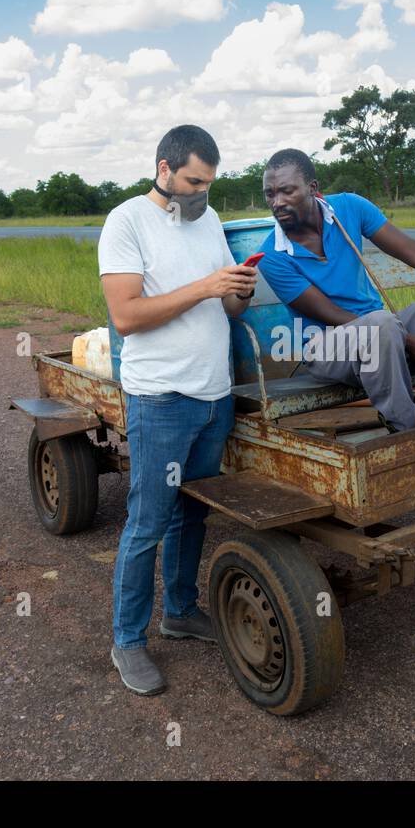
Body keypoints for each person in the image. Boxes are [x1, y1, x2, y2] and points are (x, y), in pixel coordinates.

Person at [98, 124, 257, 696]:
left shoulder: (208, 221)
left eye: (209, 183)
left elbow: (231, 310)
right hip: (161, 398)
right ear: (163, 169)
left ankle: (182, 611)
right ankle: (128, 640)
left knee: (195, 514)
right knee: (147, 522)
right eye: (193, 181)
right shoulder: (126, 223)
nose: (201, 193)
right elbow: (127, 317)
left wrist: (239, 288)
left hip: (214, 396)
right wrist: (204, 286)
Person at [256, 148, 415, 431]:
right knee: (382, 323)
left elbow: (414, 253)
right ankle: (408, 430)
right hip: (327, 346)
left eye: (287, 191)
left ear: (313, 188)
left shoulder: (350, 208)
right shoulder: (271, 255)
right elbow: (330, 313)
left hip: (385, 332)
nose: (277, 202)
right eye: (270, 194)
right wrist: (407, 339)